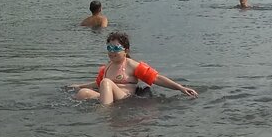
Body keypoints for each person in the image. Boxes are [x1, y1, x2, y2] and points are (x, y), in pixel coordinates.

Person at [66, 32, 199, 105]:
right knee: (84, 92)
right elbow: (96, 84)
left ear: (126, 50)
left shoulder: (132, 65)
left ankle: (104, 116)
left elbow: (157, 78)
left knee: (106, 82)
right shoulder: (106, 67)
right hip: (107, 97)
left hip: (124, 97)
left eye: (116, 48)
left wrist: (181, 88)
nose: (112, 52)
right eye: (109, 48)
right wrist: (78, 86)